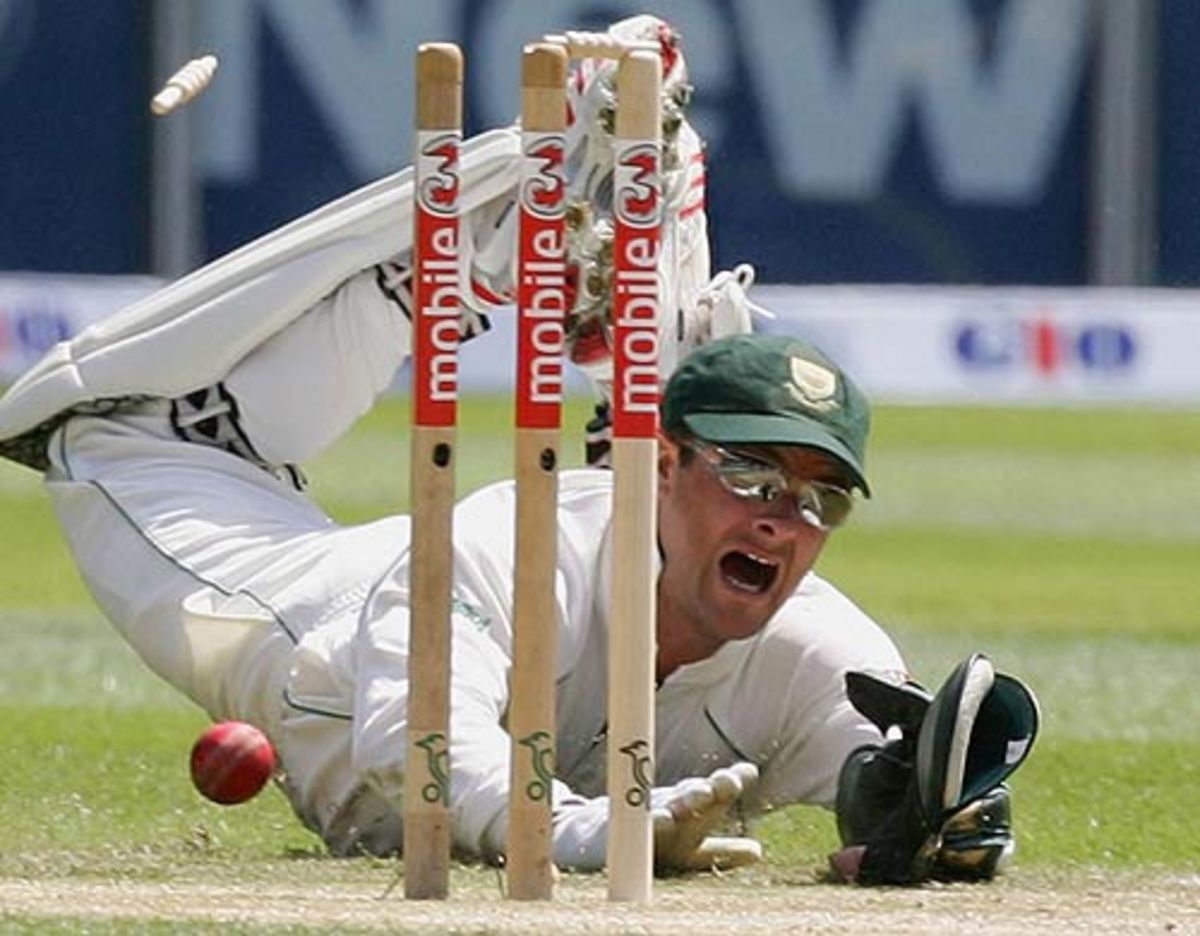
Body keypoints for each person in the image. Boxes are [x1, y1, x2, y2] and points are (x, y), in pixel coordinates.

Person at [0, 17, 1037, 884]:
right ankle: (501, 231)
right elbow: (427, 758)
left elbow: (879, 796)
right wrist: (593, 830)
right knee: (125, 427)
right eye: (753, 477)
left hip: (561, 535)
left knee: (647, 512)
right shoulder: (500, 547)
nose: (782, 519)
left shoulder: (823, 651)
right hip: (305, 612)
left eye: (819, 501)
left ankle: (614, 300)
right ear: (666, 464)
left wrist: (925, 832)